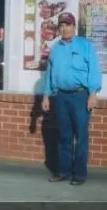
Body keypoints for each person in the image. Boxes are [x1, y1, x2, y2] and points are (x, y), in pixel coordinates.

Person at [42, 12, 102, 185]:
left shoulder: (85, 46)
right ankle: (64, 172)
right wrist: (46, 96)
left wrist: (92, 94)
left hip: (80, 96)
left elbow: (94, 71)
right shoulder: (55, 48)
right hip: (61, 97)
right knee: (64, 136)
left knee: (81, 136)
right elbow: (50, 75)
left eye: (68, 24)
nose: (64, 28)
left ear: (74, 26)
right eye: (61, 25)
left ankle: (79, 174)